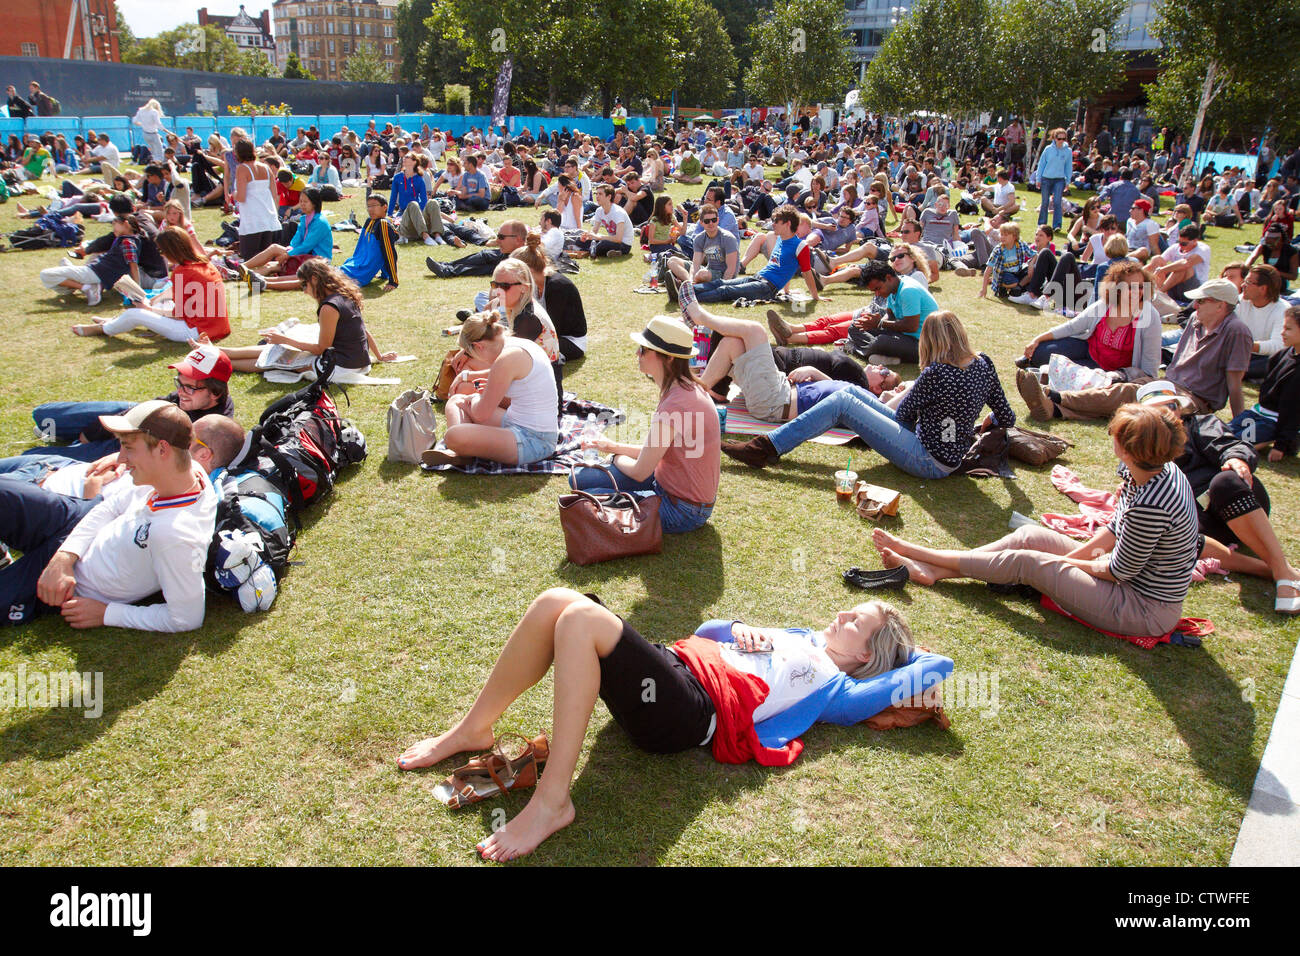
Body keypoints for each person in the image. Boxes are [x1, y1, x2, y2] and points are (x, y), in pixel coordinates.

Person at [396, 587, 939, 860]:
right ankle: (472, 729)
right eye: (851, 609)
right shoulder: (806, 636)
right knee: (556, 602)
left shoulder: (839, 691)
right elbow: (708, 628)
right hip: (676, 664)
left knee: (582, 618)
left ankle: (554, 802)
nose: (841, 614)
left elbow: (936, 668)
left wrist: (910, 654)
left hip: (689, 710)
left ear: (869, 656)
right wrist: (739, 627)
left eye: (856, 623)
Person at [871, 401, 1198, 637]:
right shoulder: (1150, 467)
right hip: (1122, 576)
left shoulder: (1152, 504)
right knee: (1030, 539)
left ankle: (922, 556)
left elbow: (1117, 571)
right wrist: (1066, 561)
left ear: (1128, 450)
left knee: (1029, 562)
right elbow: (1114, 529)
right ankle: (934, 572)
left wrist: (1062, 566)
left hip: (1141, 607)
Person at [2, 401, 216, 630]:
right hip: (80, 519)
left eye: (129, 447)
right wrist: (65, 556)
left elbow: (186, 618)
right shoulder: (188, 470)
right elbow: (110, 507)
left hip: (76, 581)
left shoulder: (176, 535)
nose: (120, 458)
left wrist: (107, 613)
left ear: (162, 449)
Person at [723, 311, 1014, 479]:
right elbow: (1007, 415)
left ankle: (765, 448)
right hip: (943, 449)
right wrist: (979, 415)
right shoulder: (984, 364)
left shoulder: (937, 373)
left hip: (928, 459)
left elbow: (903, 416)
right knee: (848, 390)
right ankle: (767, 446)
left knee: (843, 401)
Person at [1017, 277, 1252, 421]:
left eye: (1201, 301)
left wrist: (1239, 424)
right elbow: (1075, 325)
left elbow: (1234, 382)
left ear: (1221, 306)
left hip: (1196, 399)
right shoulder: (1195, 321)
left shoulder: (1237, 331)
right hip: (1170, 383)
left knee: (1136, 402)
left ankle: (1054, 398)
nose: (1195, 305)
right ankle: (1055, 409)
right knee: (1124, 394)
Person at [568, 316, 719, 533]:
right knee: (579, 479)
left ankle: (640, 500)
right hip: (674, 489)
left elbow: (640, 471)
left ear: (667, 358)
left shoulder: (676, 402)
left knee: (587, 495)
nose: (637, 354)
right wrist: (610, 446)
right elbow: (657, 453)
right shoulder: (686, 389)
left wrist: (617, 458)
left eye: (644, 349)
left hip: (682, 510)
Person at [203, 260, 397, 379]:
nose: (304, 291)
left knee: (277, 357)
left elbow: (321, 348)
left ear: (314, 279)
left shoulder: (329, 306)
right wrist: (378, 356)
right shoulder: (345, 295)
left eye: (303, 285)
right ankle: (219, 352)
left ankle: (217, 359)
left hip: (343, 367)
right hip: (355, 361)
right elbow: (362, 329)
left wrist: (284, 340)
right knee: (279, 350)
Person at [421, 314, 559, 468]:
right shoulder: (517, 345)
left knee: (453, 436)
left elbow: (481, 413)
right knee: (456, 401)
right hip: (522, 425)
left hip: (534, 441)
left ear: (478, 346)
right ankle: (462, 453)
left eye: (468, 353)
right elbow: (498, 372)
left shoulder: (506, 359)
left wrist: (474, 398)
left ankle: (462, 450)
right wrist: (467, 376)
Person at [71, 226, 228, 343]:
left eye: (162, 251)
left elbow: (179, 315)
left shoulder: (183, 271)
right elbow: (180, 294)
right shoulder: (203, 263)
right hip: (216, 326)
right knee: (157, 303)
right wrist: (154, 301)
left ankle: (103, 328)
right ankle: (114, 321)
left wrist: (148, 309)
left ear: (171, 251)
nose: (162, 256)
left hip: (197, 331)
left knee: (136, 314)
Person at [1019, 259, 1162, 380]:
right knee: (1040, 352)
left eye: (1141, 287)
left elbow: (1150, 368)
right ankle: (1061, 371)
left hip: (1114, 373)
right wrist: (1037, 339)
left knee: (1076, 375)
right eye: (1130, 287)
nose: (1137, 291)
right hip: (1089, 352)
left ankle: (1063, 374)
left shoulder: (1149, 315)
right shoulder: (1105, 305)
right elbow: (1072, 326)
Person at [1228, 305, 1299, 464]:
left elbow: (1293, 411)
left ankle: (1287, 440)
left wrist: (1280, 445)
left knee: (1238, 443)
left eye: (1288, 329)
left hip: (1274, 421)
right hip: (1258, 413)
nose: (1282, 332)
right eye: (1283, 327)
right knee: (1224, 433)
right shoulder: (1281, 355)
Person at [234, 186, 334, 293]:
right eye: (301, 201)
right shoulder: (305, 219)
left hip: (318, 259)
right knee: (274, 254)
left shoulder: (320, 222)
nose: (302, 204)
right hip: (305, 255)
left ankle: (248, 275)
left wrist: (287, 254)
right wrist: (288, 251)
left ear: (314, 203)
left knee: (274, 264)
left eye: (306, 202)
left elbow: (306, 246)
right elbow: (295, 241)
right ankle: (243, 271)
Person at [38, 214, 141, 308]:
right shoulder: (127, 240)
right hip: (97, 271)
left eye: (115, 224)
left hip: (97, 273)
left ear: (126, 224)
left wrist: (138, 292)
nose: (113, 228)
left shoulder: (128, 242)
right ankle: (90, 286)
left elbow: (133, 266)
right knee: (62, 281)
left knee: (45, 274)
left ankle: (87, 288)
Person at [512, 236, 587, 361]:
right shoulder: (534, 285)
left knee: (521, 349)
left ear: (528, 270)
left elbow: (551, 328)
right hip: (549, 336)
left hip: (571, 342)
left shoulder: (557, 286)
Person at [426, 218, 528, 278]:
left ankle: (448, 271)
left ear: (518, 239)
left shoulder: (527, 258)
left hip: (511, 261)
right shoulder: (512, 247)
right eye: (498, 236)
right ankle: (447, 265)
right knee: (485, 254)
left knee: (487, 268)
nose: (498, 240)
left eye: (501, 237)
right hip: (508, 254)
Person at [230, 139, 280, 261]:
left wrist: (233, 194)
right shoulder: (266, 168)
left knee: (251, 261)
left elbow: (241, 197)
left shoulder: (242, 168)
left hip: (252, 221)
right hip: (269, 219)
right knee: (267, 260)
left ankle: (257, 281)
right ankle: (265, 280)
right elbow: (274, 194)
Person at [340, 193, 400, 291]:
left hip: (360, 273)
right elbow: (362, 249)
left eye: (374, 206)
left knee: (326, 277)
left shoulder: (383, 224)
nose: (370, 209)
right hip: (355, 265)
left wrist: (393, 281)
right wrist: (384, 275)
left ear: (385, 207)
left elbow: (389, 253)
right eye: (368, 206)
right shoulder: (369, 221)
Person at [580, 184, 634, 258]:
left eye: (600, 194)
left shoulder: (618, 212)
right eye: (596, 193)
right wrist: (588, 235)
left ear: (609, 197)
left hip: (623, 244)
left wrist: (598, 237)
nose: (597, 196)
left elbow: (618, 239)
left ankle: (594, 249)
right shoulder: (599, 210)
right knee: (580, 241)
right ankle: (600, 250)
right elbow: (594, 230)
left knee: (603, 245)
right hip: (611, 241)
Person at [1036, 128, 1072, 230]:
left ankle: (1057, 225)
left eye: (1063, 138)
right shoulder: (1048, 149)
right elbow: (1041, 165)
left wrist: (1068, 181)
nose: (1061, 140)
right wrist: (1038, 179)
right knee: (1045, 202)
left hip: (1059, 179)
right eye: (1059, 138)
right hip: (1046, 178)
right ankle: (1042, 224)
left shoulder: (1068, 151)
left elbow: (1068, 167)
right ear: (1054, 138)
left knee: (1057, 202)